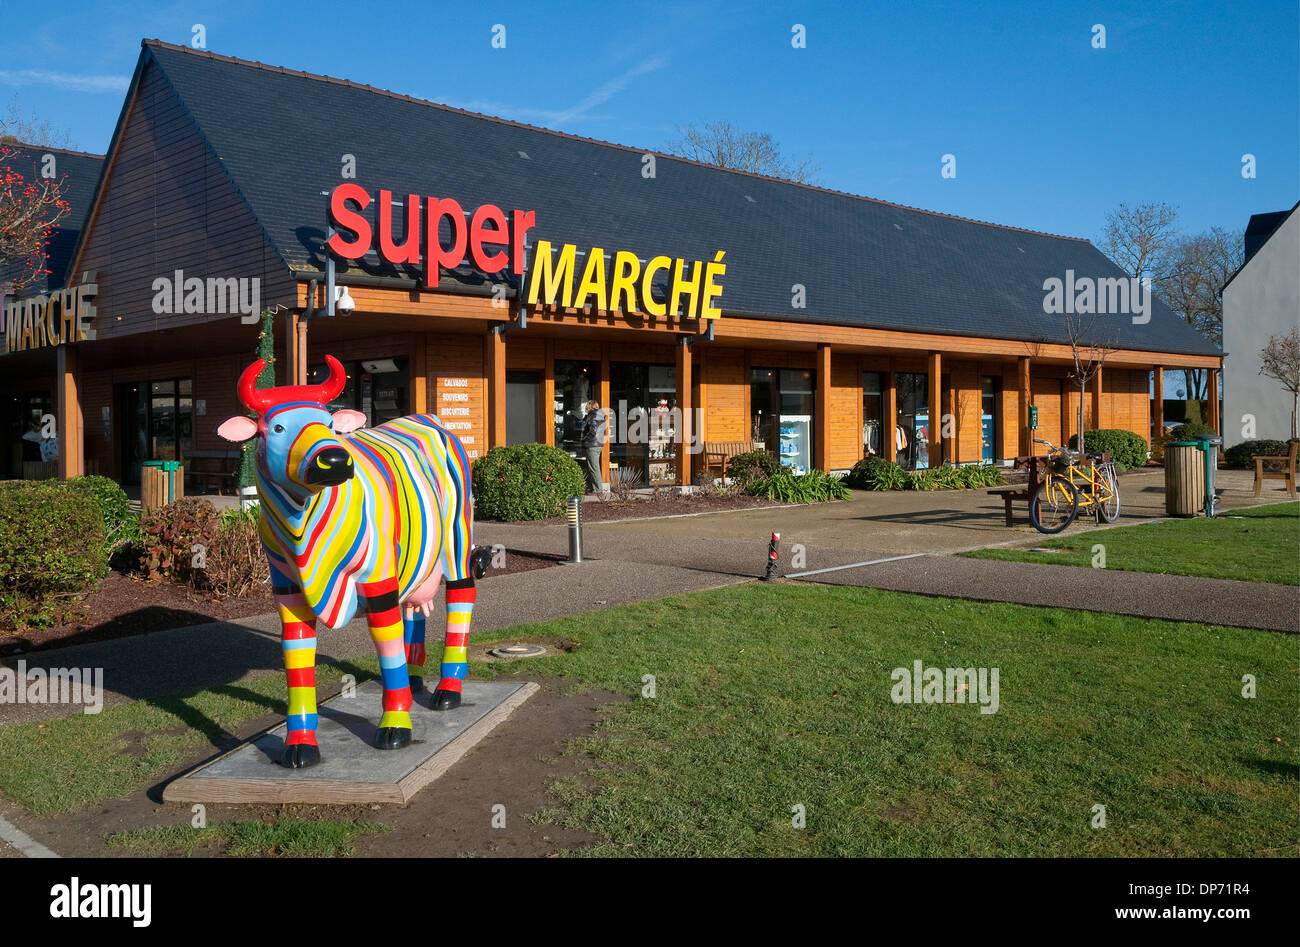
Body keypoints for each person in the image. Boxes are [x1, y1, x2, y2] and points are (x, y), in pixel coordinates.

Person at [580, 399, 607, 492]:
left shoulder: (592, 415)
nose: (586, 407)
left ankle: (598, 490)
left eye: (587, 406)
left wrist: (584, 439)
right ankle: (594, 488)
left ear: (590, 406)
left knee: (594, 468)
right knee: (594, 467)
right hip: (598, 444)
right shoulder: (600, 415)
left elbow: (593, 430)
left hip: (592, 444)